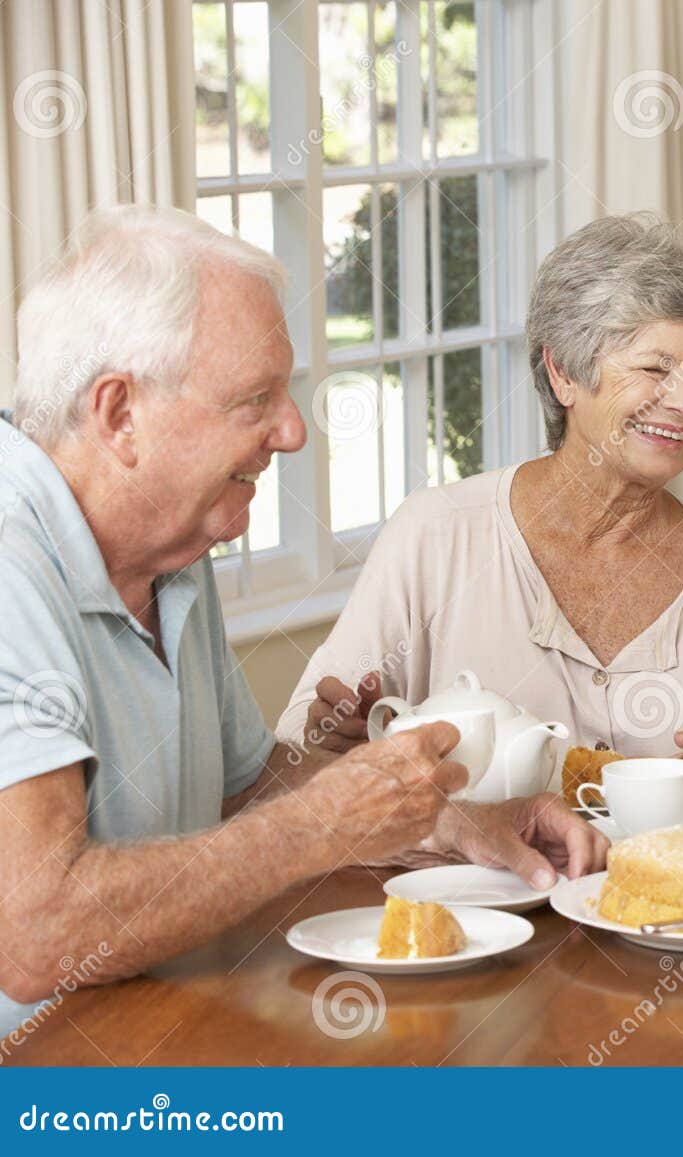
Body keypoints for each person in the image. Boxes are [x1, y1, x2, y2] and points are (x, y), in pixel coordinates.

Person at [0, 207, 603, 1033]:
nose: (290, 431)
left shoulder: (171, 540)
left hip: (162, 1026)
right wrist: (322, 823)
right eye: (254, 399)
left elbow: (249, 787)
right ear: (119, 414)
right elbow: (36, 936)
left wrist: (451, 820)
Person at [278, 214, 683, 803]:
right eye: (654, 369)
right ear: (563, 374)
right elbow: (301, 741)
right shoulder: (438, 536)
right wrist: (339, 735)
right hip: (468, 894)